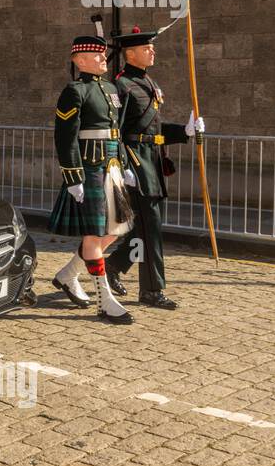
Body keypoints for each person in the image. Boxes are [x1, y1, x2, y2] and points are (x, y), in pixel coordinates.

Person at [104, 27, 205, 310]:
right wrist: (123, 166)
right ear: (130, 53)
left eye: (152, 47)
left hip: (153, 162)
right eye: (146, 48)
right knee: (151, 229)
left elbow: (154, 130)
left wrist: (185, 131)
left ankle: (113, 265)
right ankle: (151, 290)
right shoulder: (121, 86)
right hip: (136, 164)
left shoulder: (148, 81)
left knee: (143, 228)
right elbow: (114, 131)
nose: (152, 51)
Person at [47, 34, 137, 324]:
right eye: (96, 55)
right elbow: (65, 137)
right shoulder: (74, 90)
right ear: (80, 60)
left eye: (102, 54)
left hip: (111, 166)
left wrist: (125, 164)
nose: (102, 59)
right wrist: (73, 176)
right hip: (89, 168)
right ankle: (104, 301)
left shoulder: (109, 88)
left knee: (115, 230)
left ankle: (68, 274)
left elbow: (116, 131)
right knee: (94, 236)